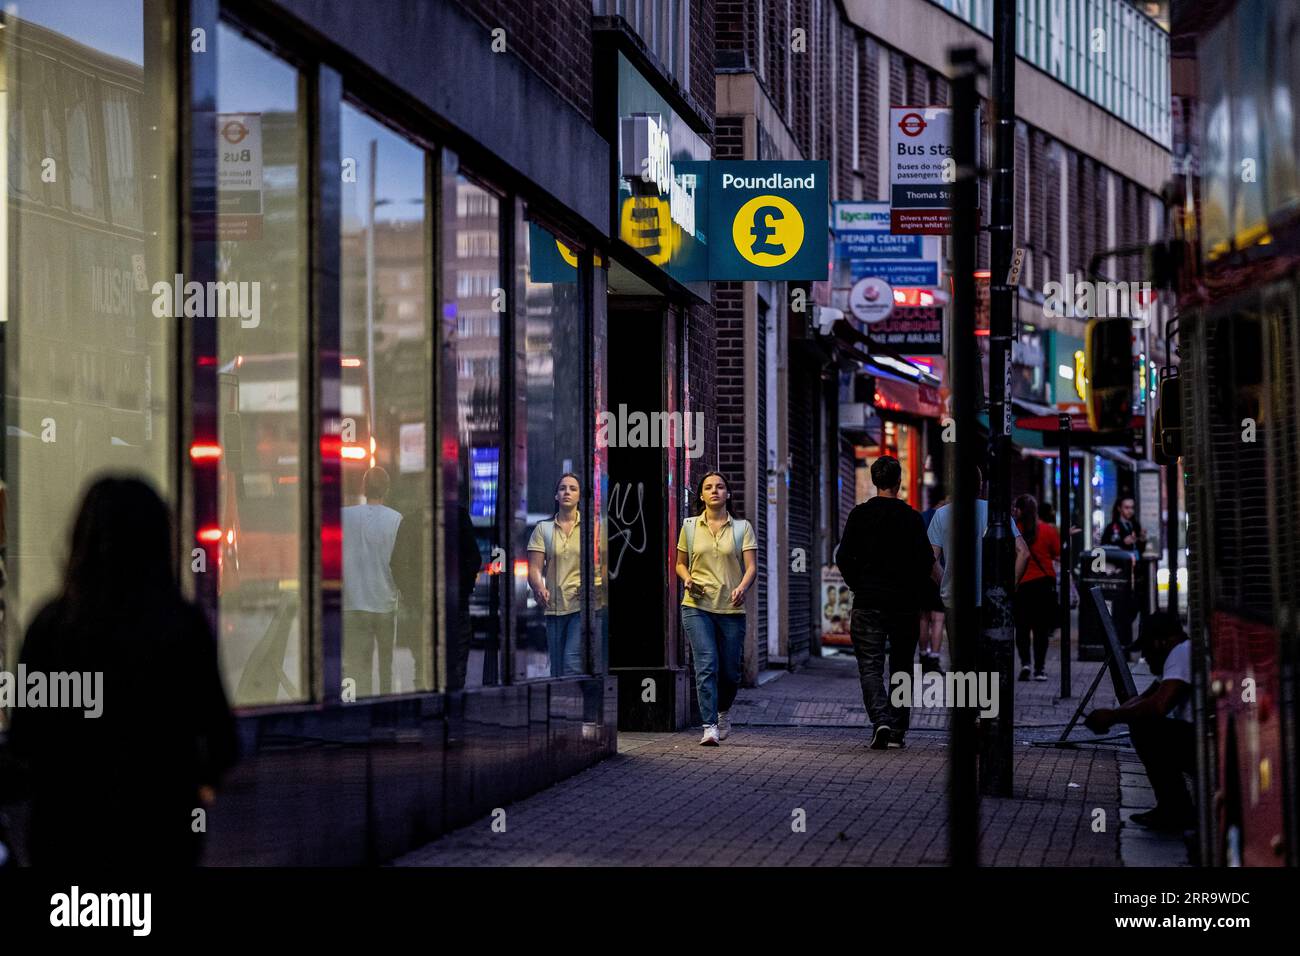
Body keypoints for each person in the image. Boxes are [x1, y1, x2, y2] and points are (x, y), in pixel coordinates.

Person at [7, 476, 237, 866]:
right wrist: (195, 783)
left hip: (66, 835)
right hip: (158, 833)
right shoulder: (182, 627)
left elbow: (24, 740)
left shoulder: (51, 627)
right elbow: (221, 740)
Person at [836, 456, 936, 750]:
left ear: (875, 481)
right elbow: (925, 563)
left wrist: (859, 584)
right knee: (902, 666)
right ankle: (898, 730)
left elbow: (843, 557)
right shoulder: (912, 518)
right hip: (904, 604)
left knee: (870, 667)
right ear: (898, 482)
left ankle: (880, 719)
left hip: (868, 601)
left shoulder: (859, 515)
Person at [1084, 611, 1195, 831]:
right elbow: (1145, 697)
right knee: (1142, 722)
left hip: (1201, 741)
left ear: (1163, 641)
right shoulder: (1181, 653)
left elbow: (1158, 706)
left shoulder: (1181, 654)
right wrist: (1112, 714)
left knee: (1148, 728)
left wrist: (1113, 717)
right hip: (1196, 735)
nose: (1146, 655)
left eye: (1148, 647)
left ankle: (1175, 809)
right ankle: (1173, 806)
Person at [676, 471, 757, 746]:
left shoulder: (741, 528)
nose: (714, 491)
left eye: (720, 487)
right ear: (701, 495)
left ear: (727, 494)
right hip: (697, 607)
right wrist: (687, 579)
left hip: (731, 609)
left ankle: (723, 712)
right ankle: (709, 725)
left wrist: (742, 588)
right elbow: (679, 563)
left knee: (730, 673)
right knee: (706, 664)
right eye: (709, 487)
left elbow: (752, 568)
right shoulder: (688, 526)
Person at [927, 464, 1029, 639]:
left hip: (955, 598)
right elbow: (1024, 553)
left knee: (960, 659)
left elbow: (929, 558)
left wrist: (944, 580)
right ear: (980, 485)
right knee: (987, 658)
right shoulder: (996, 513)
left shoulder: (941, 514)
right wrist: (1009, 586)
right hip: (991, 597)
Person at [342, 466, 403, 696]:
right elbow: (398, 562)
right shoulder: (396, 519)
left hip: (353, 603)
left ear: (363, 487)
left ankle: (359, 706)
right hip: (384, 603)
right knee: (386, 664)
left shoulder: (345, 516)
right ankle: (384, 708)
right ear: (386, 489)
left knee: (358, 665)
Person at [528, 473, 584, 677]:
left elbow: (601, 566)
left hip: (582, 607)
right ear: (556, 496)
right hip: (554, 606)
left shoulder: (591, 529)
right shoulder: (543, 529)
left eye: (573, 488)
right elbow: (533, 568)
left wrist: (591, 586)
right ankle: (564, 706)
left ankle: (579, 707)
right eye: (563, 488)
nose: (567, 492)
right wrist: (539, 587)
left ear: (579, 496)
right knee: (558, 668)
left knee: (571, 662)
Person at [1013, 493, 1060, 681]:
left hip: (1022, 583)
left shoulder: (1015, 529)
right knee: (1041, 629)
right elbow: (1057, 554)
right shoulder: (1048, 530)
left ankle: (1025, 663)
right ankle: (1040, 669)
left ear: (1020, 510)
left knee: (1022, 628)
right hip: (1044, 583)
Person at [1102, 496, 1147, 647]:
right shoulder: (1113, 527)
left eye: (1132, 507)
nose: (1130, 511)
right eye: (1127, 507)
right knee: (1126, 609)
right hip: (1121, 574)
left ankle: (1134, 640)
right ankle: (1123, 641)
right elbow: (1106, 548)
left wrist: (1141, 539)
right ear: (1120, 508)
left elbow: (1139, 548)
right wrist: (1123, 543)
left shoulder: (1134, 525)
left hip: (1136, 571)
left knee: (1138, 607)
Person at [918, 492, 947, 672]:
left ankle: (923, 655)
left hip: (922, 574)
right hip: (941, 573)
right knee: (938, 618)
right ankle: (934, 659)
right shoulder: (947, 520)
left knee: (923, 617)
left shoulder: (922, 517)